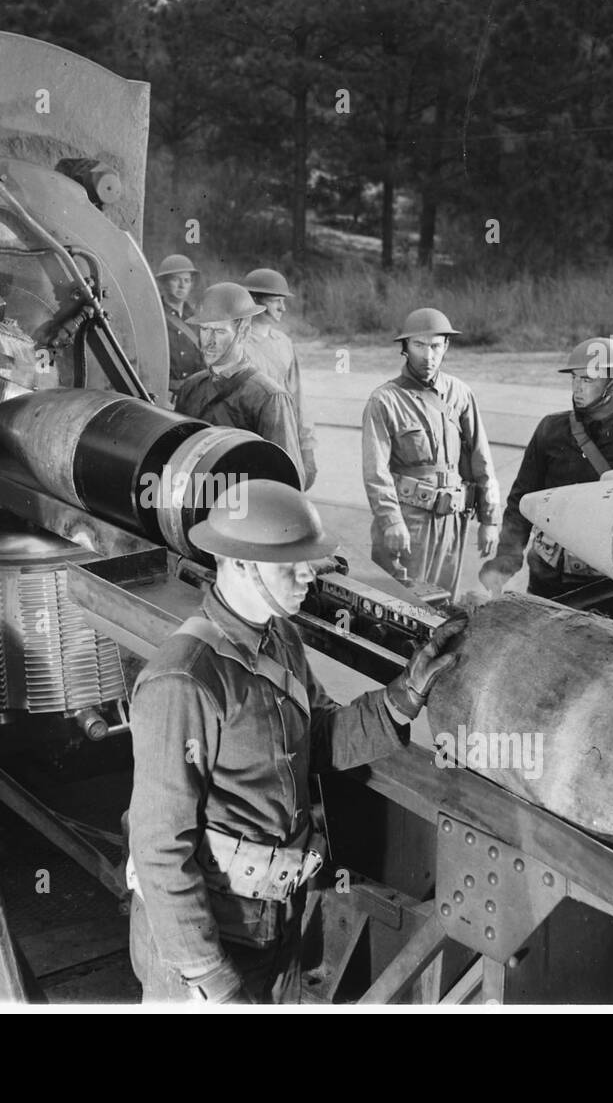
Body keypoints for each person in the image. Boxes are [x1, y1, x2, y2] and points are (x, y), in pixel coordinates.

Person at [125, 479, 466, 1003]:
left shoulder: (279, 639)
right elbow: (159, 852)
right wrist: (213, 982)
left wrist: (404, 695)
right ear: (238, 563)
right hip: (205, 952)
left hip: (273, 927)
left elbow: (317, 737)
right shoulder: (183, 682)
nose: (309, 574)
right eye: (290, 562)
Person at [479, 337, 613, 599]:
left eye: (587, 380)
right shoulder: (551, 429)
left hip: (607, 587)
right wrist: (505, 562)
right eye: (575, 379)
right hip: (547, 577)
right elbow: (521, 501)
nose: (577, 388)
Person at [361, 307, 499, 600]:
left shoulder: (460, 394)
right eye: (419, 345)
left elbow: (481, 459)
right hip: (410, 522)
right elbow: (376, 472)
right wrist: (391, 521)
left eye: (436, 346)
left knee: (444, 606)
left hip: (452, 522)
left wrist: (490, 519)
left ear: (446, 346)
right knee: (401, 607)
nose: (428, 355)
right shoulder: (385, 400)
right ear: (405, 348)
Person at [176, 282, 305, 480]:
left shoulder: (269, 398)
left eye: (219, 332)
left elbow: (287, 481)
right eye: (204, 329)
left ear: (243, 332)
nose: (209, 341)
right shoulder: (192, 387)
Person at [241, 268, 318, 490]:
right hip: (252, 441)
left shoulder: (284, 343)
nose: (283, 308)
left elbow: (298, 399)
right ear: (255, 301)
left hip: (286, 439)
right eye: (276, 301)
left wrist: (307, 448)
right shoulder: (238, 345)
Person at [154, 253, 204, 398]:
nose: (182, 285)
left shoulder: (196, 318)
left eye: (187, 280)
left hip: (193, 393)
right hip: (163, 394)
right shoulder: (156, 315)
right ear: (163, 283)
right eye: (176, 279)